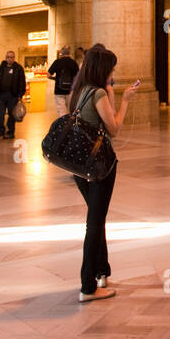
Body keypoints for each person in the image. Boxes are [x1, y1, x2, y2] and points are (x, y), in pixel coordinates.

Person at [69, 44, 140, 302]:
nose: (113, 71)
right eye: (111, 67)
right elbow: (114, 128)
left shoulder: (78, 92)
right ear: (103, 68)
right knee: (95, 222)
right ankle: (87, 286)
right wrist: (124, 101)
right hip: (100, 166)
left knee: (96, 218)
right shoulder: (98, 93)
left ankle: (102, 271)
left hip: (80, 166)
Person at [0, 49, 26, 140]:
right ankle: (0, 130)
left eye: (11, 57)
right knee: (0, 113)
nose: (9, 59)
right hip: (2, 94)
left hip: (12, 95)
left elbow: (22, 82)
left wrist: (20, 94)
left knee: (12, 114)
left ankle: (10, 132)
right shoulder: (2, 66)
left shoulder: (18, 68)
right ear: (5, 58)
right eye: (8, 57)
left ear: (14, 58)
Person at [47, 45, 79, 117]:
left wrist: (55, 79)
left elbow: (48, 75)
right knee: (70, 110)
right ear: (69, 52)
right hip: (70, 90)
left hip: (59, 91)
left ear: (61, 52)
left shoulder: (57, 62)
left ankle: (63, 126)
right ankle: (69, 126)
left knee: (61, 111)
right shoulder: (73, 63)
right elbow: (77, 77)